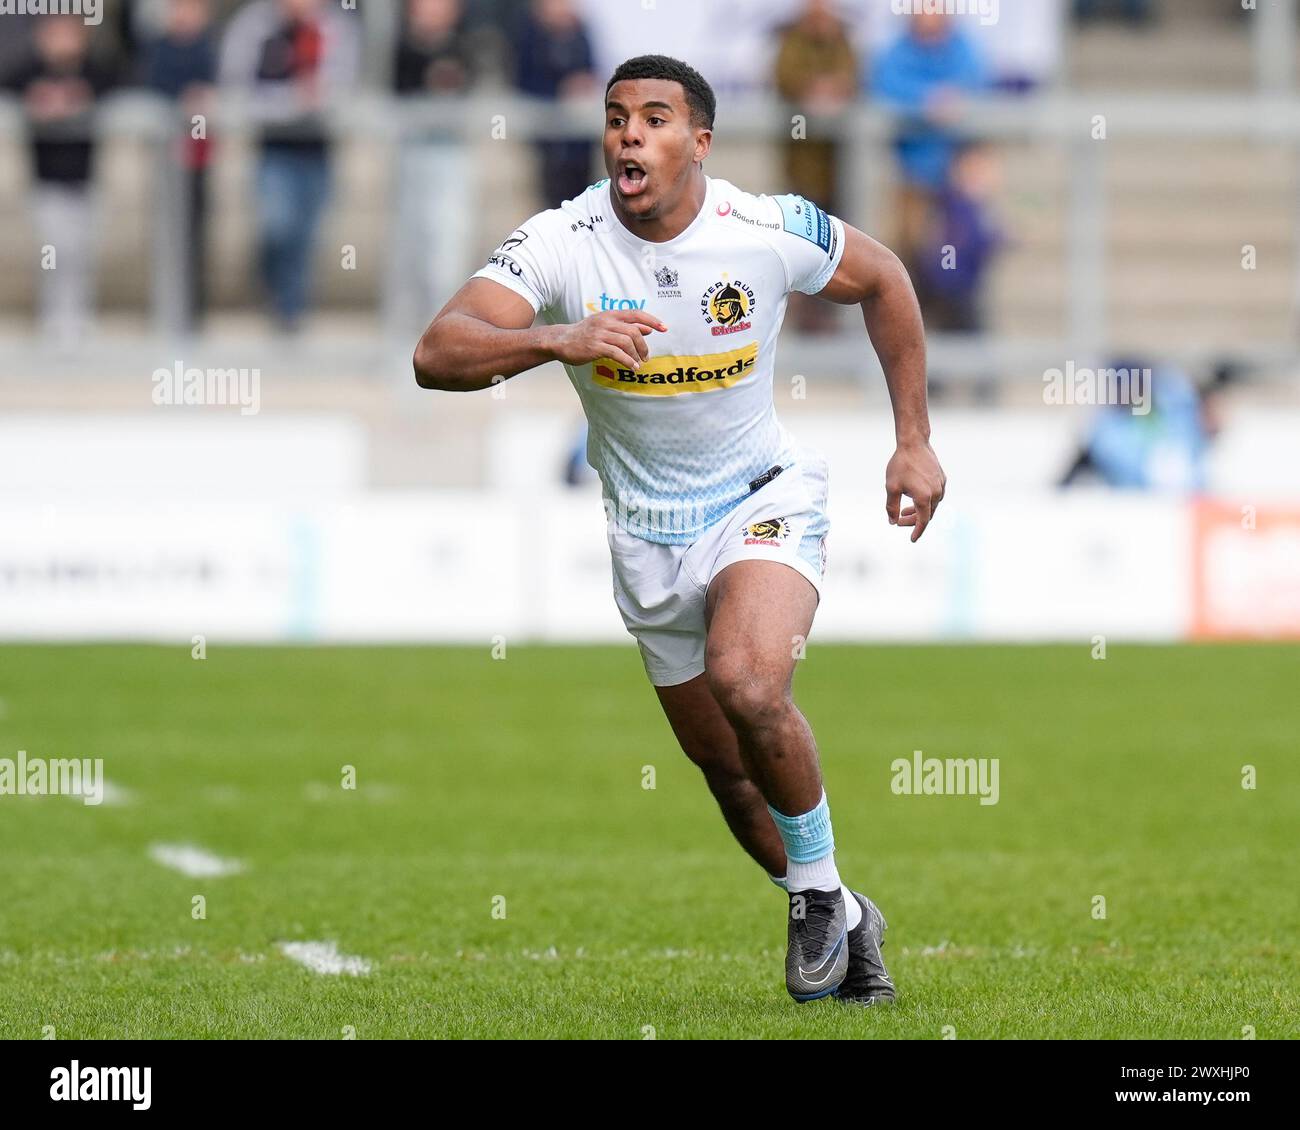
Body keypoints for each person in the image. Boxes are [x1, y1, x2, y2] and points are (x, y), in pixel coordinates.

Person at [413, 55, 946, 1005]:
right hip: (645, 535)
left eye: (655, 118)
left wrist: (914, 442)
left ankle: (817, 894)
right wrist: (553, 338)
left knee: (749, 680)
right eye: (618, 117)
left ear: (697, 142)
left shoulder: (764, 228)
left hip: (762, 497)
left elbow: (887, 279)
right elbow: (436, 351)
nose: (629, 133)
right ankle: (841, 910)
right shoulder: (560, 241)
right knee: (729, 776)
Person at [219, 0, 360, 332]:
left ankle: (290, 311)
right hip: (275, 147)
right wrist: (290, 101)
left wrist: (318, 100)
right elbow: (236, 87)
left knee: (305, 235)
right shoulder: (255, 25)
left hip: (318, 147)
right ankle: (276, 296)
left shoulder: (334, 27)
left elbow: (343, 85)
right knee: (277, 225)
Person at [3, 15, 117, 346]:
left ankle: (79, 315)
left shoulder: (92, 70)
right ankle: (53, 316)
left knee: (82, 251)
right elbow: (10, 85)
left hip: (85, 181)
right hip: (46, 183)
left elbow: (117, 82)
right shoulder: (29, 70)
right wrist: (37, 101)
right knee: (53, 251)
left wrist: (79, 98)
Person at [388, 0, 479, 335]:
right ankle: (404, 330)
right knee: (410, 243)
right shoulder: (402, 47)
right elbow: (396, 96)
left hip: (450, 154)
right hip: (412, 153)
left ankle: (446, 324)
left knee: (448, 240)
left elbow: (470, 90)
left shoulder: (465, 45)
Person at [871, 11, 987, 273]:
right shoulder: (898, 52)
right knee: (911, 249)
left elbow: (978, 86)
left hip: (956, 175)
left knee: (961, 252)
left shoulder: (963, 49)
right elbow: (884, 87)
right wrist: (926, 100)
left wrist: (954, 101)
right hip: (912, 176)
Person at [773, 0, 858, 334]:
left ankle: (834, 324)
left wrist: (834, 92)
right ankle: (806, 326)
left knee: (838, 247)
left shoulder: (844, 40)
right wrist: (813, 92)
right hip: (802, 168)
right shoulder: (790, 39)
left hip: (840, 168)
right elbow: (785, 80)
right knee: (802, 245)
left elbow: (854, 79)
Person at [143, 0, 219, 331]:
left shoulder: (213, 50)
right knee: (165, 235)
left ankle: (192, 313)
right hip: (166, 160)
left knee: (195, 234)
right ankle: (165, 310)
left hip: (198, 159)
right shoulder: (156, 51)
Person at [511, 0, 598, 208]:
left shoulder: (581, 33)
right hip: (548, 142)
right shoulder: (529, 37)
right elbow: (524, 82)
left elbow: (590, 72)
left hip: (579, 141)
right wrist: (560, 91)